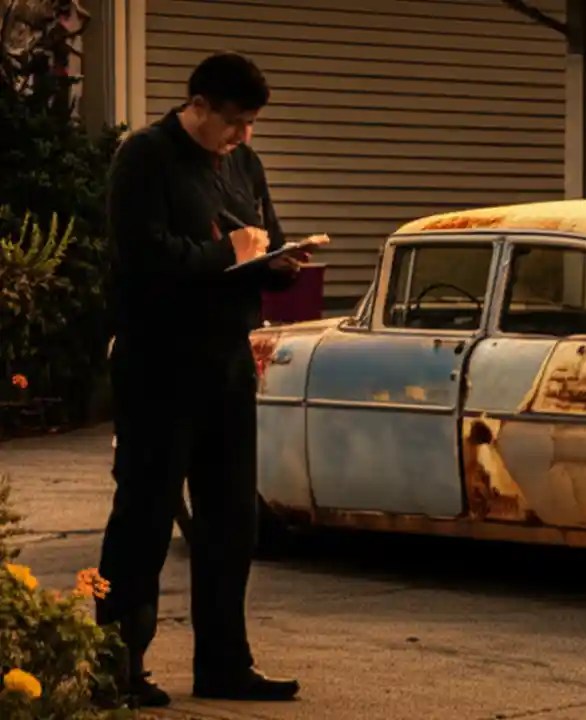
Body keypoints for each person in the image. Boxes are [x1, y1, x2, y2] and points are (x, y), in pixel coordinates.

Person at [97, 51, 315, 708]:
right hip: (158, 362)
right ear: (198, 106)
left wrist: (279, 264)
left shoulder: (244, 164)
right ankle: (116, 667)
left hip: (226, 361)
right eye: (235, 122)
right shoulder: (145, 157)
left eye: (252, 124)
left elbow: (262, 239)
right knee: (144, 516)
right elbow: (144, 257)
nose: (243, 136)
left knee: (231, 520)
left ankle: (224, 664)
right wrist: (230, 252)